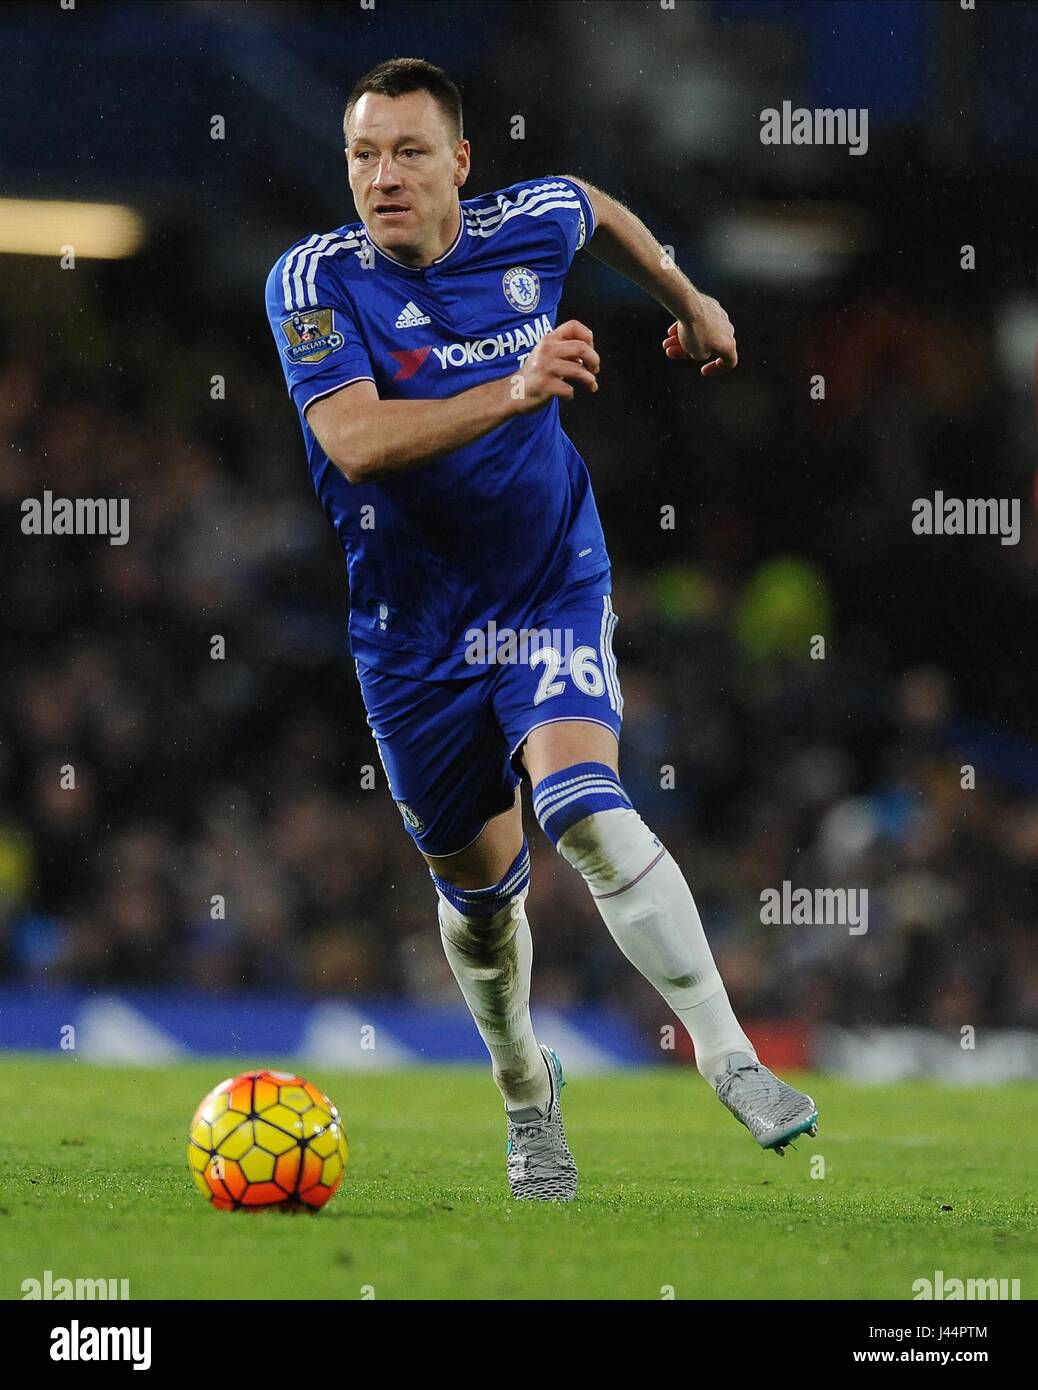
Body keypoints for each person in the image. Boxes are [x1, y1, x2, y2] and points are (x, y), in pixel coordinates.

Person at [266, 56, 817, 1201]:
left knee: (585, 811)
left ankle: (732, 1058)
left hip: (546, 588)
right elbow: (358, 443)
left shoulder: (527, 222)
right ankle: (530, 1100)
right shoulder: (311, 280)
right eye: (364, 155)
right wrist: (518, 387)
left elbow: (594, 207)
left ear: (460, 163)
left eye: (409, 152)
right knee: (480, 909)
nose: (383, 177)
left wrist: (689, 297)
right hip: (409, 636)